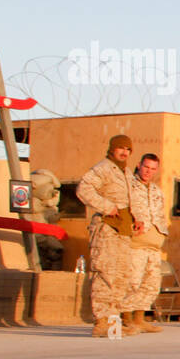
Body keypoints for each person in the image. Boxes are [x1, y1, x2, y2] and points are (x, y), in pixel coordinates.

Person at [76, 135, 138, 337]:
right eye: (120, 148)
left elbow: (129, 199)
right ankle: (101, 322)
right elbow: (83, 189)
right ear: (112, 149)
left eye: (128, 149)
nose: (124, 152)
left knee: (121, 277)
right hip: (106, 228)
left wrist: (137, 217)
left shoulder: (126, 172)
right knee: (105, 274)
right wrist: (106, 207)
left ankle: (113, 324)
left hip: (122, 228)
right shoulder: (103, 168)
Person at [124, 153, 168, 334]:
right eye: (146, 167)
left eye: (153, 169)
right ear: (139, 165)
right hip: (135, 243)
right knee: (132, 281)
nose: (148, 172)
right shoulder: (129, 187)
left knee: (151, 283)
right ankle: (127, 318)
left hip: (154, 243)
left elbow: (161, 214)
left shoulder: (157, 191)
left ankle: (140, 319)